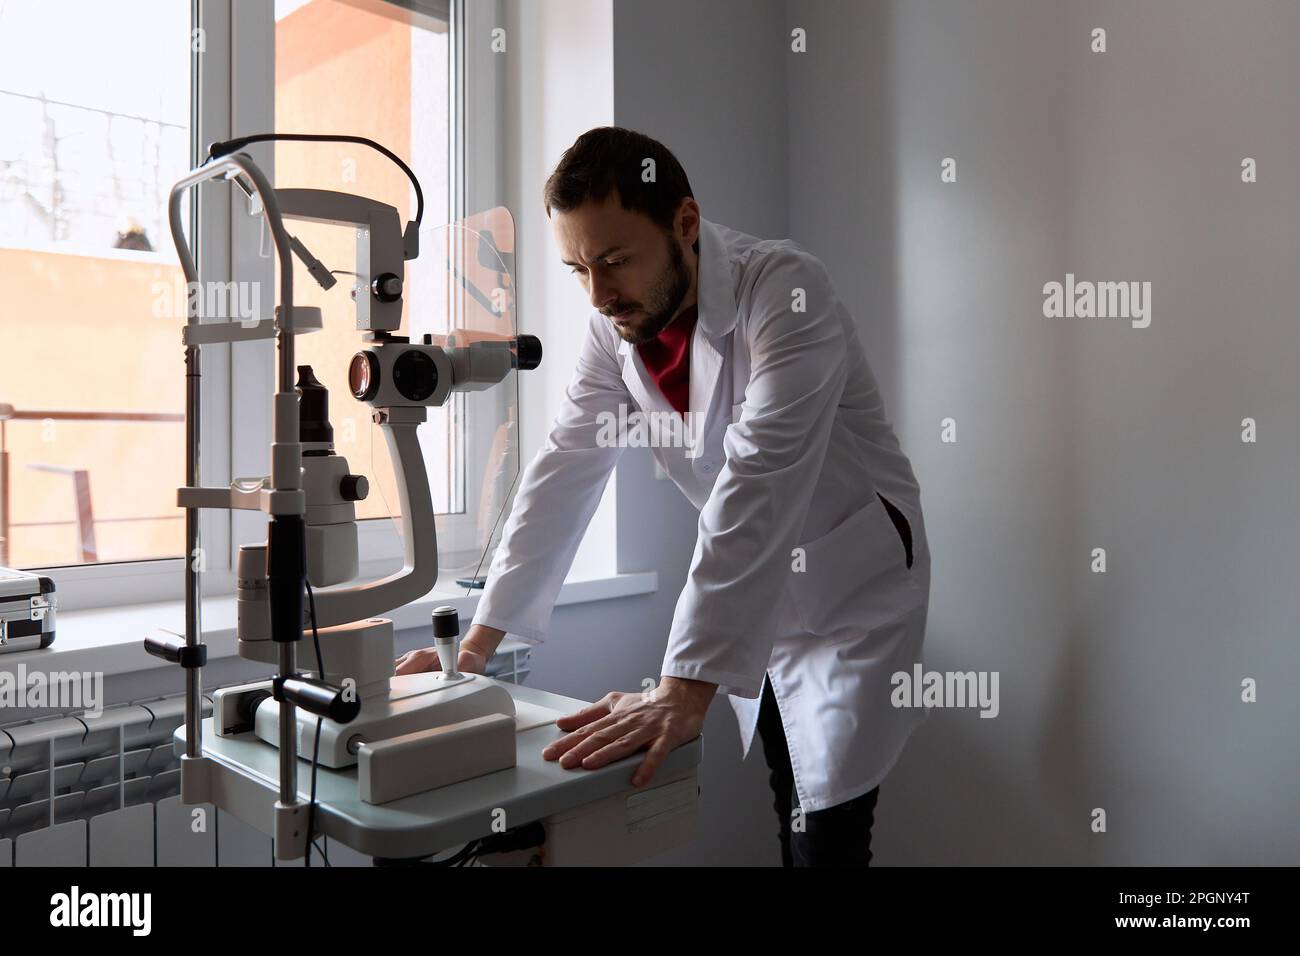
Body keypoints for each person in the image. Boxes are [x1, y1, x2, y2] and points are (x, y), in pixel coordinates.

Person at [397, 126, 931, 867]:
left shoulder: (784, 290)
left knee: (828, 825)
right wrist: (476, 650)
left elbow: (760, 476)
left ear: (686, 224)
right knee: (791, 779)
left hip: (852, 587)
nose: (598, 292)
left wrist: (682, 688)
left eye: (614, 261)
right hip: (758, 588)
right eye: (577, 268)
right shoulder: (612, 328)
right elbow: (565, 466)